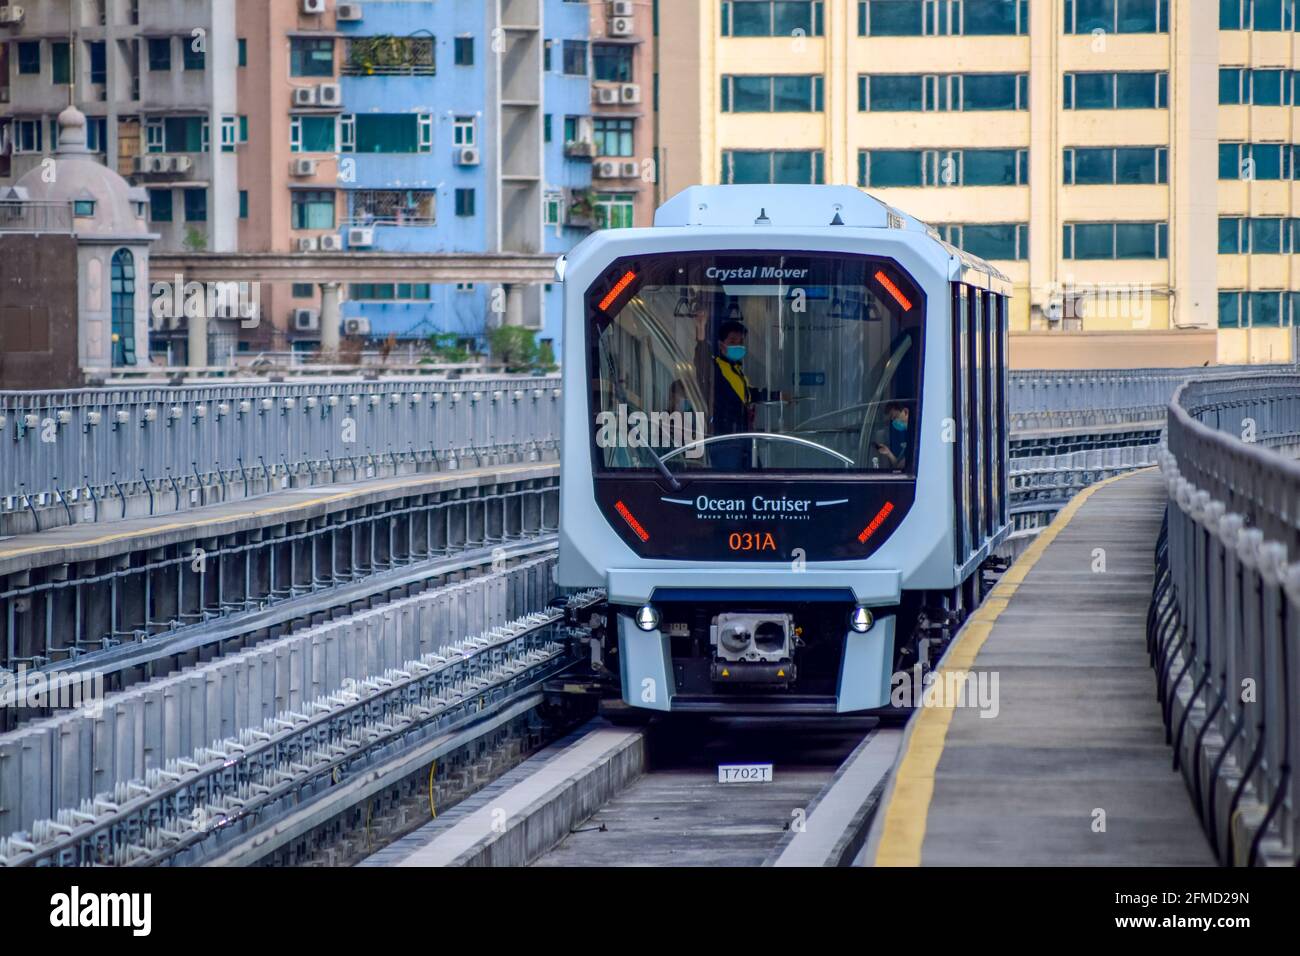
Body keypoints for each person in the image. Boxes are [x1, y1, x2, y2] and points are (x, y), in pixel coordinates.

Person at [693, 309, 787, 470]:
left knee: (756, 483)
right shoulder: (716, 367)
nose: (738, 345)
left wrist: (778, 395)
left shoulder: (737, 372)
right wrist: (700, 330)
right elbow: (702, 359)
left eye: (741, 341)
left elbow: (750, 394)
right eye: (732, 341)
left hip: (743, 438)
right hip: (725, 440)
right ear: (721, 345)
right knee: (730, 485)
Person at [874, 401, 912, 471]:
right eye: (892, 420)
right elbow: (898, 467)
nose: (894, 422)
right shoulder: (907, 436)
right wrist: (888, 453)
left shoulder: (917, 436)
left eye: (895, 417)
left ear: (905, 412)